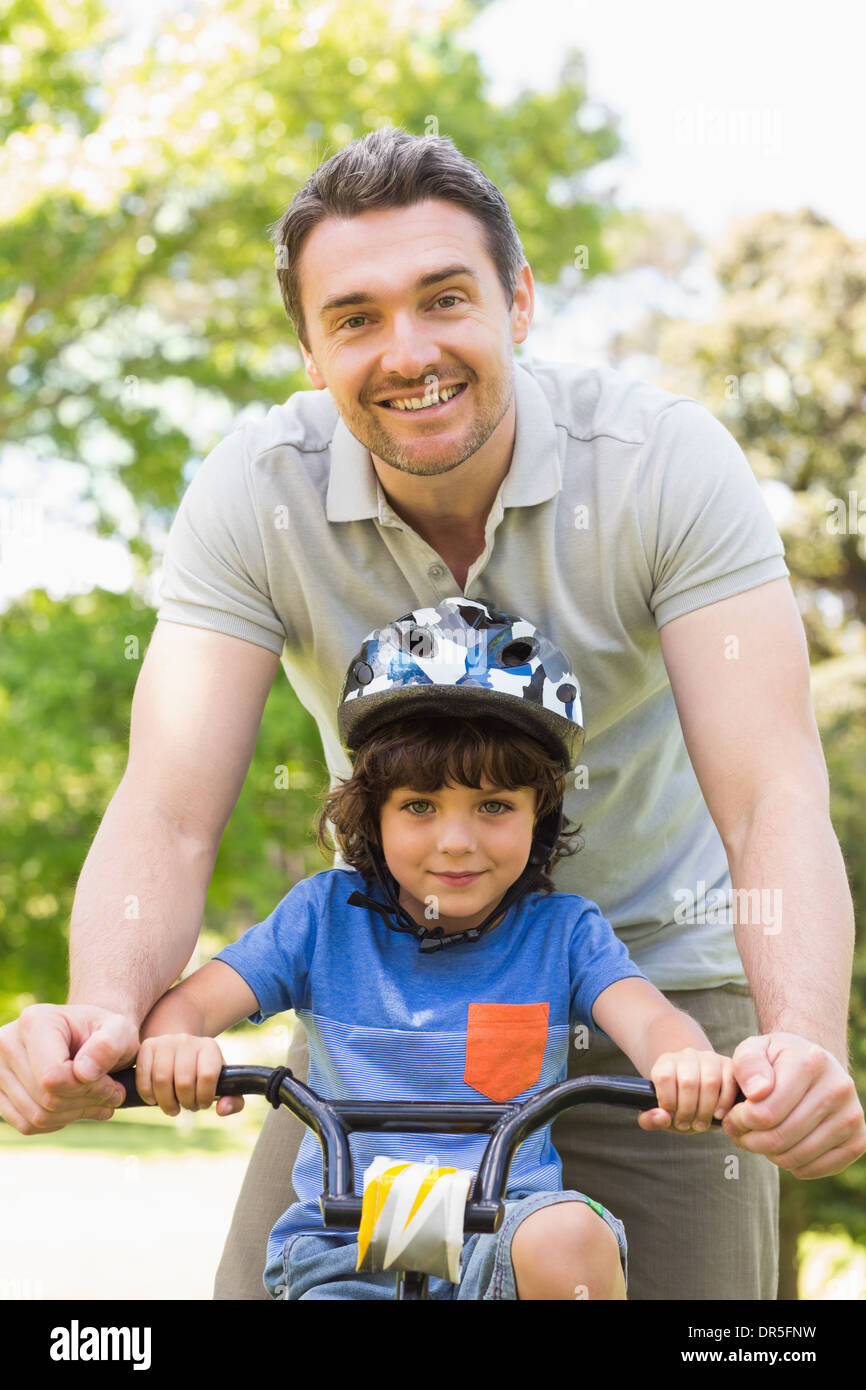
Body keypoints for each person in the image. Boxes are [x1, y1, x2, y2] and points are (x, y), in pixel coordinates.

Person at [1, 127, 862, 1302]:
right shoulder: (256, 495)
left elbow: (768, 796)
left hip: (653, 996)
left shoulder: (663, 466)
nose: (407, 352)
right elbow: (167, 805)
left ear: (516, 300)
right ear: (308, 349)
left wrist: (796, 1035)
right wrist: (106, 1015)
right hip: (385, 1002)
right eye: (354, 317)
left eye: (443, 298)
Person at [131, 600, 743, 1301]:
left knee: (573, 1238)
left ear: (538, 816)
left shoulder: (564, 931)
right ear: (373, 815)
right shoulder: (321, 918)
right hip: (344, 1244)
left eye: (494, 806)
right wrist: (177, 1044)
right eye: (420, 806)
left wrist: (684, 1062)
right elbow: (189, 1007)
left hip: (503, 1240)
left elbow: (652, 1021)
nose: (457, 841)